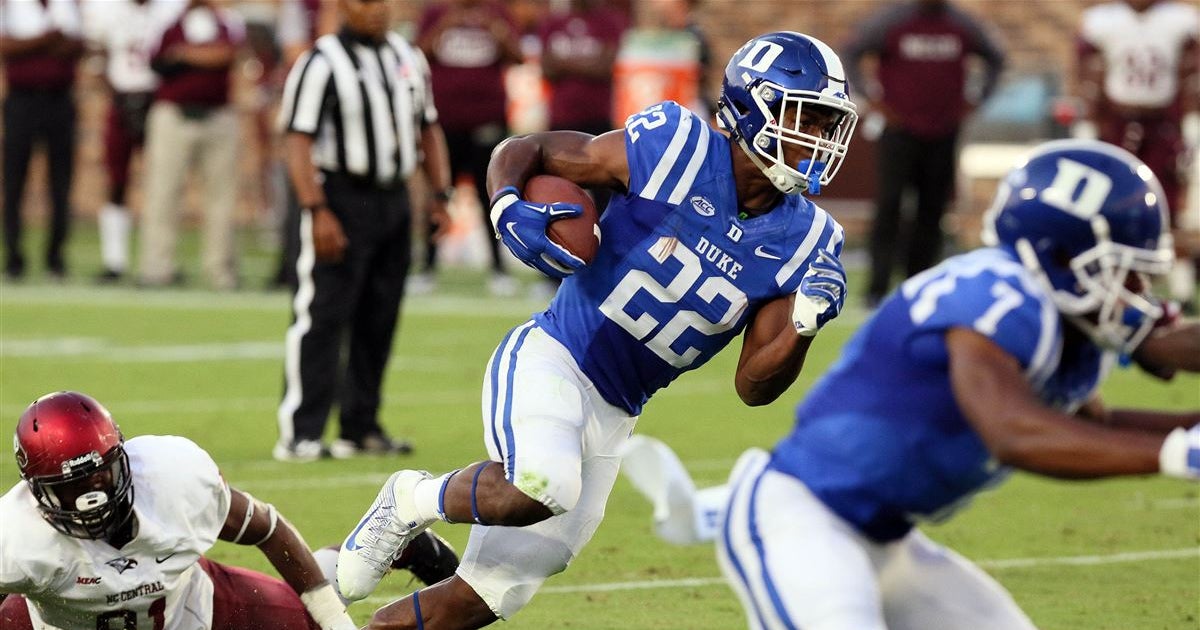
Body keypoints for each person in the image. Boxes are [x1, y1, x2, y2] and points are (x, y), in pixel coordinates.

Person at [335, 30, 860, 629]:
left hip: (617, 411)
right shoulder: (677, 148)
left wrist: (802, 326)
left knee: (491, 592)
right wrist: (506, 202)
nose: (817, 140)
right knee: (541, 483)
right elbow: (531, 148)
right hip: (556, 355)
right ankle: (410, 499)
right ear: (750, 107)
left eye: (826, 125)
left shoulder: (807, 242)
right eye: (807, 119)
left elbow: (754, 385)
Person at [621, 140, 1200, 630]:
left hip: (886, 540)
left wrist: (1186, 434)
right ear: (1059, 256)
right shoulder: (996, 294)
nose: (1135, 289)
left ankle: (707, 511)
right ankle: (722, 511)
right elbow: (1013, 431)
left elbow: (1087, 426)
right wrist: (1177, 451)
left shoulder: (1068, 333)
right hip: (801, 517)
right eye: (1119, 269)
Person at [0, 391, 459, 629]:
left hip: (196, 611)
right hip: (61, 621)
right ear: (36, 491)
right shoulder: (17, 539)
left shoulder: (172, 478)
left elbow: (268, 528)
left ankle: (390, 545)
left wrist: (334, 621)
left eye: (99, 473)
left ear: (123, 458)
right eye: (72, 486)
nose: (91, 494)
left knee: (315, 624)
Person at [272, 0, 453, 462]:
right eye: (363, 1)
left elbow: (428, 126)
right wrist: (316, 209)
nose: (376, 10)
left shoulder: (408, 56)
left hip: (393, 198)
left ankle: (360, 426)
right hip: (340, 196)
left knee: (380, 316)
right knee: (323, 315)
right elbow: (297, 138)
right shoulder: (320, 61)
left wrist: (439, 194)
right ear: (343, 7)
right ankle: (301, 432)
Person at [844, 0, 1006, 308]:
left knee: (932, 211)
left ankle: (919, 285)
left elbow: (996, 58)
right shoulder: (892, 20)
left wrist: (977, 98)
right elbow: (851, 51)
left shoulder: (961, 23)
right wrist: (870, 99)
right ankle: (876, 287)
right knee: (889, 206)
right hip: (899, 130)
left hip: (943, 132)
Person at [1074, 0, 1199, 312]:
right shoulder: (1100, 21)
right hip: (1116, 123)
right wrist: (1088, 124)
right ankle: (1111, 284)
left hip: (1163, 125)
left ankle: (1181, 291)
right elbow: (1086, 77)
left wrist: (1192, 122)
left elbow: (1192, 75)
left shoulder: (1181, 20)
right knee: (1110, 205)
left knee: (1168, 204)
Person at [413, 0, 524, 297]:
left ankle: (499, 268)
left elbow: (519, 57)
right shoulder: (437, 13)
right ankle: (427, 267)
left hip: (487, 119)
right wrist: (443, 27)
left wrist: (497, 31)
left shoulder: (497, 12)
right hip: (444, 122)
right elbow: (416, 57)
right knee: (438, 191)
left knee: (492, 196)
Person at [138, 0, 244, 290]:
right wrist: (199, 56)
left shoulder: (228, 20)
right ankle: (157, 266)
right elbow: (157, 61)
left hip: (218, 115)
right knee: (163, 192)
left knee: (221, 197)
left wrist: (185, 54)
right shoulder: (165, 18)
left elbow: (227, 54)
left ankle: (221, 270)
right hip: (173, 114)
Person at [82, 0, 180, 283]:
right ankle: (115, 260)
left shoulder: (170, 8)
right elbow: (96, 54)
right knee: (116, 179)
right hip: (121, 98)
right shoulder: (105, 8)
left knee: (163, 184)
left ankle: (160, 261)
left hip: (159, 99)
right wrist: (112, 89)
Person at [0, 0, 84, 281]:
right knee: (14, 181)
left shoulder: (67, 4)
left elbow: (77, 46)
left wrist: (31, 45)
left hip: (59, 100)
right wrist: (46, 40)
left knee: (60, 182)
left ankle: (56, 258)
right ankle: (13, 256)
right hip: (22, 101)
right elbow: (6, 47)